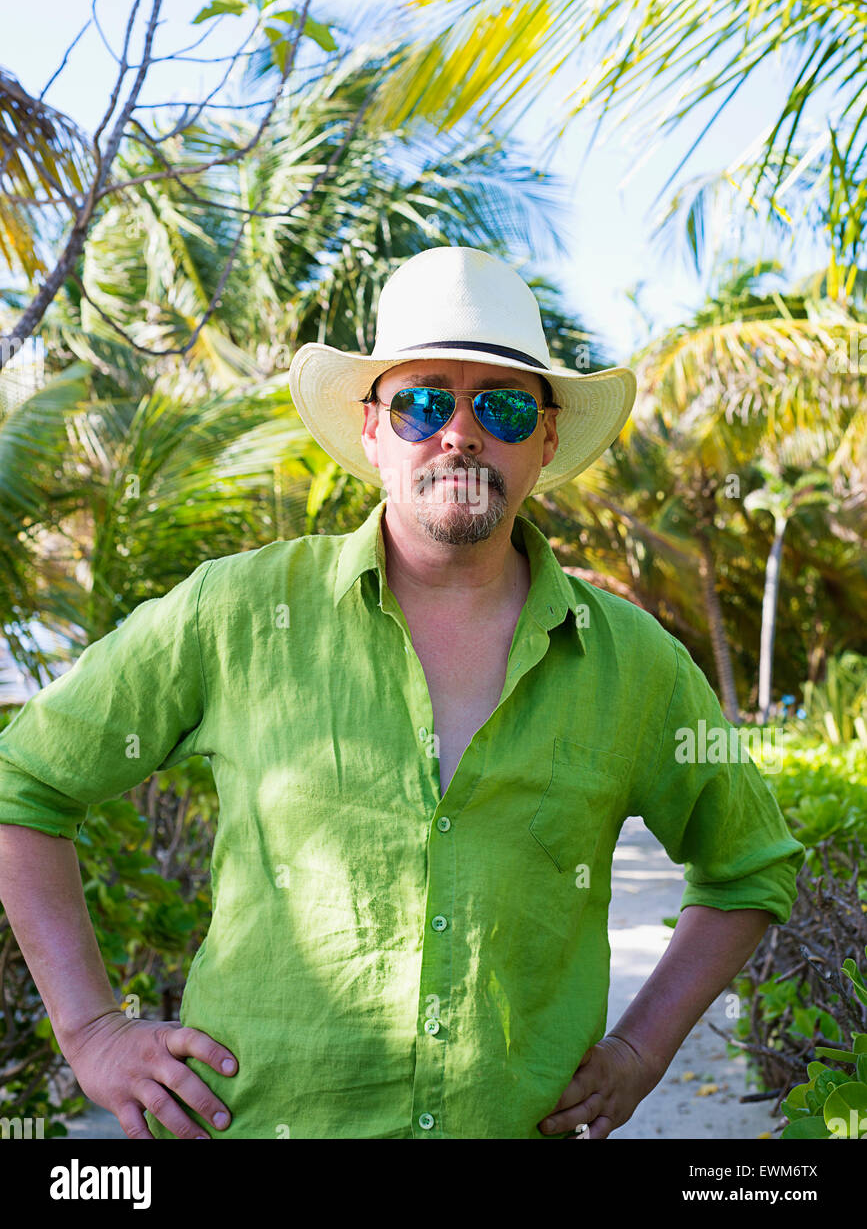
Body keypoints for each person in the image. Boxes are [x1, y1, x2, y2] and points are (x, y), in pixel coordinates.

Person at [0, 246, 804, 1140]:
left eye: (499, 404)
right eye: (423, 400)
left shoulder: (635, 663)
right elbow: (22, 785)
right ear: (374, 429)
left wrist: (641, 1054)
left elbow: (749, 865)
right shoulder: (231, 613)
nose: (459, 432)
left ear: (542, 440)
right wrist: (91, 1030)